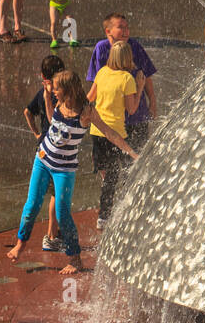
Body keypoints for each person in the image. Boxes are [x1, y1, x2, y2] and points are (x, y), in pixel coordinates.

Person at [7, 70, 137, 275]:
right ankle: (20, 244)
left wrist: (131, 152)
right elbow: (52, 122)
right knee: (32, 205)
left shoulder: (86, 112)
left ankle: (75, 258)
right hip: (42, 159)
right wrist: (46, 98)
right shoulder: (59, 101)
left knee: (62, 212)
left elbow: (109, 133)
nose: (54, 92)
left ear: (68, 90)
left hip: (64, 170)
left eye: (57, 89)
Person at [87, 40, 145, 226]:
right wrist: (140, 86)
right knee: (127, 171)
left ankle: (106, 213)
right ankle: (111, 215)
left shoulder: (102, 72)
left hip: (96, 131)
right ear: (128, 58)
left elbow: (90, 98)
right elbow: (132, 109)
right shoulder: (127, 79)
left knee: (108, 175)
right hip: (116, 133)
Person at [86, 13, 157, 152]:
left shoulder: (135, 46)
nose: (126, 31)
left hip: (136, 115)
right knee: (107, 164)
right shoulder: (101, 49)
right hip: (110, 119)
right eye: (121, 27)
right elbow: (97, 83)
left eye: (127, 27)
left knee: (137, 157)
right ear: (108, 31)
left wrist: (153, 102)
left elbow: (146, 76)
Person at [22, 53, 65, 252]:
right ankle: (51, 236)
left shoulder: (42, 92)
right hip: (54, 151)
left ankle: (54, 233)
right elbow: (53, 118)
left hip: (43, 147)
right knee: (56, 194)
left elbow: (27, 112)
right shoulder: (57, 96)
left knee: (49, 195)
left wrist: (37, 134)